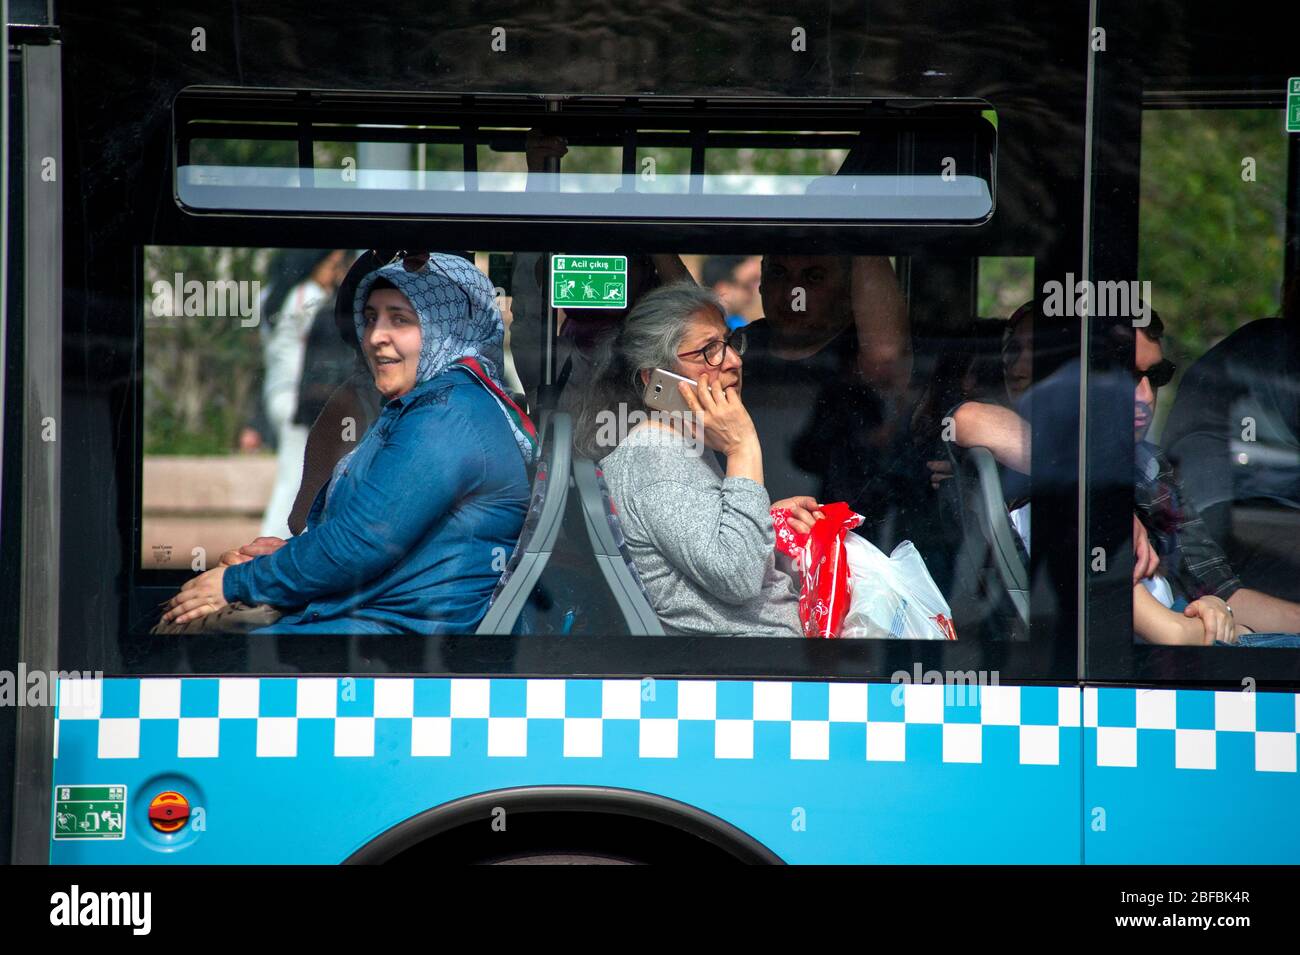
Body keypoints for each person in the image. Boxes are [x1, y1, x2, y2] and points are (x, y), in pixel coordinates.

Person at [161, 253, 535, 634]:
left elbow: (358, 544)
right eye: (371, 318)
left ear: (448, 327)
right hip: (376, 617)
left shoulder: (447, 416)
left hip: (401, 641)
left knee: (195, 649)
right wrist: (282, 557)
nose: (374, 337)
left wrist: (236, 583)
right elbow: (368, 535)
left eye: (400, 319)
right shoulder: (429, 404)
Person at [949, 305, 1300, 643]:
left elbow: (1219, 588)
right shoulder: (1039, 484)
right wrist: (1101, 496)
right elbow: (969, 420)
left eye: (1157, 377)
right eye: (1126, 376)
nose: (1145, 397)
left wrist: (1217, 609)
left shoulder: (1147, 464)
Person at [574, 282, 823, 637]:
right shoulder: (657, 457)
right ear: (655, 379)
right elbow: (736, 574)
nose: (734, 361)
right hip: (753, 668)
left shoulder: (676, 444)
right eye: (709, 351)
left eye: (728, 344)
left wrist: (765, 519)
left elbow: (696, 534)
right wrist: (743, 447)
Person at [739, 255, 913, 533]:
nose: (792, 292)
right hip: (746, 541)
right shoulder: (736, 350)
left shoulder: (860, 359)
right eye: (779, 273)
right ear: (761, 283)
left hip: (848, 543)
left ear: (847, 290)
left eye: (814, 277)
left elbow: (886, 355)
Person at [258, 249, 349, 539]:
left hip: (280, 394)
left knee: (300, 474)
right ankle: (272, 543)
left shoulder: (279, 295)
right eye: (332, 265)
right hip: (299, 399)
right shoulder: (308, 296)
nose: (335, 273)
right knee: (294, 477)